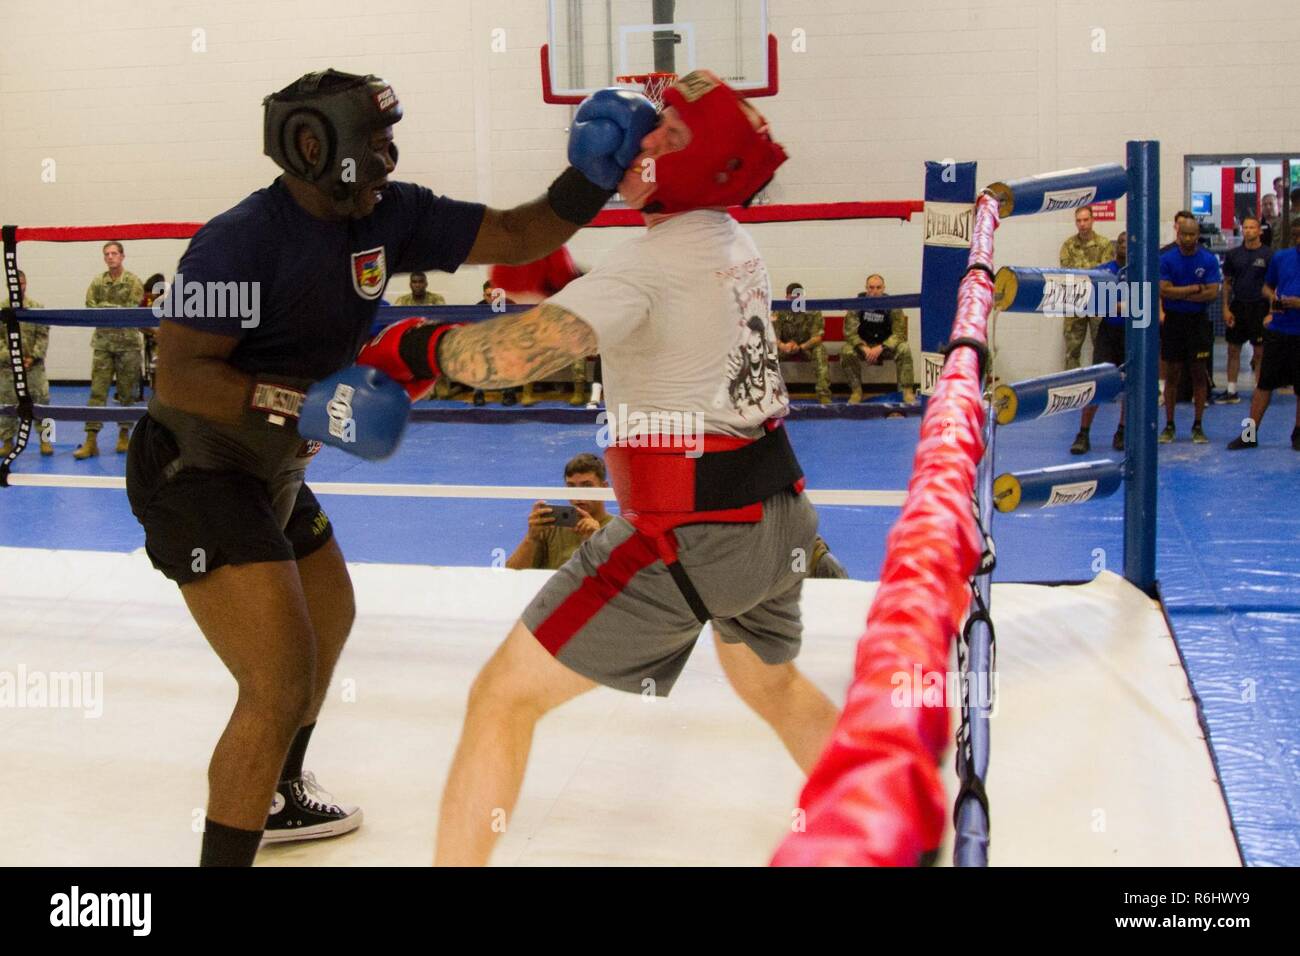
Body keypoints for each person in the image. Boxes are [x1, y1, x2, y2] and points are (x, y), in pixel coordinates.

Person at [124, 68, 655, 866]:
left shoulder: (391, 215)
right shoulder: (239, 241)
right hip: (195, 469)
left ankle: (280, 795)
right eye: (373, 143)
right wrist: (302, 403)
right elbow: (181, 376)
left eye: (388, 138)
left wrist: (588, 181)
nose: (389, 157)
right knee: (274, 681)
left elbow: (515, 234)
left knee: (329, 616)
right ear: (313, 146)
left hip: (274, 473)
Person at [336, 71, 841, 865]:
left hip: (690, 536)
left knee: (500, 697)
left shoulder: (647, 267)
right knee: (771, 686)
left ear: (695, 166)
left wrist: (414, 345)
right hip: (776, 517)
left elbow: (506, 358)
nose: (641, 138)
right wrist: (570, 286)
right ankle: (897, 824)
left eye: (665, 133)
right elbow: (663, 327)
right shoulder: (730, 242)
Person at [1228, 217, 1300, 450]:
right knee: (1264, 385)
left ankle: (1298, 434)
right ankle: (1249, 434)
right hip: (1280, 329)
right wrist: (1274, 298)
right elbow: (1266, 286)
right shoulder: (1281, 257)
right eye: (1296, 233)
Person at [76, 241, 145, 459]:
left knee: (127, 393)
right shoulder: (98, 281)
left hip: (128, 346)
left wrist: (105, 308)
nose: (110, 257)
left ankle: (124, 435)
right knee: (97, 392)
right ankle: (91, 440)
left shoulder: (133, 281)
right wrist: (111, 310)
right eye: (107, 254)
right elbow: (90, 307)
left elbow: (131, 308)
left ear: (122, 256)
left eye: (114, 253)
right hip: (104, 345)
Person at [1158, 217, 1221, 443]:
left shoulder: (1208, 259)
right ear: (1178, 235)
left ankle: (1198, 425)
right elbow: (1164, 291)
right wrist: (1195, 289)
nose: (1188, 238)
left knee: (1198, 374)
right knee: (1172, 375)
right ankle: (1170, 425)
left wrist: (1179, 292)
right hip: (1174, 322)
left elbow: (1213, 293)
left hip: (1198, 322)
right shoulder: (1166, 259)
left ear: (1197, 235)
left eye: (1192, 234)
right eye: (1184, 234)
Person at [1070, 232, 1128, 455]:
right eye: (1120, 242)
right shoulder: (1104, 271)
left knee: (1128, 385)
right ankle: (1083, 433)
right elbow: (1094, 305)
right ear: (1115, 247)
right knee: (1097, 382)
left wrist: (1117, 303)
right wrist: (1124, 304)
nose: (1124, 246)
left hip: (1132, 332)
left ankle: (1122, 431)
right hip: (1109, 332)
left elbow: (1144, 304)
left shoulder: (1141, 269)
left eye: (1127, 242)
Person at [505, 453, 614, 569]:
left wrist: (597, 541)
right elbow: (511, 575)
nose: (578, 496)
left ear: (604, 488)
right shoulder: (550, 528)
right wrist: (531, 538)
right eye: (571, 487)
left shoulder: (618, 529)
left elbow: (621, 580)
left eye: (587, 486)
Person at [1217, 216, 1272, 403]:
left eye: (1252, 228)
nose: (1248, 231)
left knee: (1259, 352)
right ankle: (1231, 390)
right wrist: (1225, 307)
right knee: (1233, 350)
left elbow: (1273, 286)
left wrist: (1272, 312)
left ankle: (1260, 390)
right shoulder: (1233, 255)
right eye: (1245, 228)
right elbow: (1227, 283)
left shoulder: (1268, 255)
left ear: (1259, 231)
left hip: (1260, 307)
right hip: (1238, 306)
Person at [839, 274, 917, 405]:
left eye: (878, 288)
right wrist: (864, 348)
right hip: (863, 346)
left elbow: (899, 333)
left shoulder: (893, 305)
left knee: (904, 348)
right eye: (871, 288)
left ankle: (906, 391)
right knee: (846, 351)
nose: (874, 291)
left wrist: (880, 348)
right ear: (866, 288)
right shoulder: (857, 304)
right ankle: (856, 391)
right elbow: (849, 332)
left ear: (883, 288)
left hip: (885, 346)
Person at [0, 271, 52, 457]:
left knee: (43, 403)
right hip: (8, 368)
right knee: (6, 404)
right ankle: (7, 441)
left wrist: (33, 357)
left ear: (26, 284)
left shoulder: (36, 308)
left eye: (21, 283)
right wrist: (12, 357)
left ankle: (46, 440)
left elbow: (43, 335)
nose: (18, 286)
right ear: (9, 285)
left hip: (34, 366)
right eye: (15, 283)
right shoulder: (1, 309)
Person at [1059, 205, 1115, 370]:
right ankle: (1071, 386)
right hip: (1075, 302)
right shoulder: (1068, 245)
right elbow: (1066, 274)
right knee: (1072, 350)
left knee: (1101, 348)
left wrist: (1084, 276)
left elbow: (1105, 274)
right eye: (1079, 221)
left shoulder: (1104, 244)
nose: (1082, 224)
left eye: (1085, 220)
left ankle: (1099, 385)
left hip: (1097, 301)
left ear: (1092, 220)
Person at [773, 281, 830, 405]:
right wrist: (783, 346)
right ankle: (770, 394)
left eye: (798, 298)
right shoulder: (779, 311)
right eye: (791, 298)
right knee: (767, 353)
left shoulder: (812, 310)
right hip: (785, 348)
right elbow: (772, 336)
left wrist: (800, 347)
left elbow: (817, 338)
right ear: (786, 297)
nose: (795, 302)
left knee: (820, 351)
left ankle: (823, 395)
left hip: (806, 347)